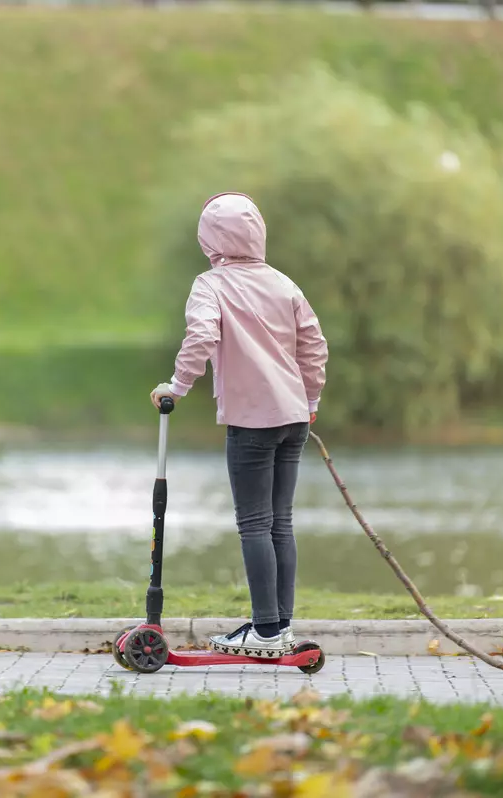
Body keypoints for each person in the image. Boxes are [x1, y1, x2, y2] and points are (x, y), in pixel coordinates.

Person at [150, 192, 328, 657]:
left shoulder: (211, 284)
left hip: (253, 422)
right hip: (294, 417)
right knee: (280, 522)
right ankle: (279, 626)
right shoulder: (285, 284)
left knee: (254, 522)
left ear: (210, 240)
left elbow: (203, 334)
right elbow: (314, 345)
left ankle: (266, 630)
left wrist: (177, 385)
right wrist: (310, 398)